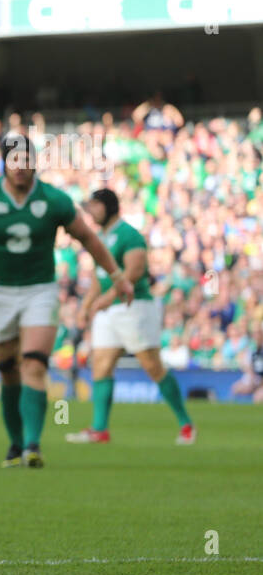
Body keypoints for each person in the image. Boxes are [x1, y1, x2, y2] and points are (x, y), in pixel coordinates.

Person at [0, 131, 133, 468]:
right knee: (7, 370)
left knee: (33, 363)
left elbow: (89, 239)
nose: (20, 167)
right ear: (4, 164)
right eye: (14, 160)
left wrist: (118, 277)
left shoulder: (55, 201)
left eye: (26, 160)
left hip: (40, 289)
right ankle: (15, 444)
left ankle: (33, 444)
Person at [66, 188, 195, 444]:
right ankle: (99, 429)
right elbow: (97, 279)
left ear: (108, 206)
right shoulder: (98, 237)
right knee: (101, 365)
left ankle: (186, 424)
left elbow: (135, 271)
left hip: (132, 307)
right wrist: (86, 305)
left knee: (152, 366)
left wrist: (108, 296)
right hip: (107, 310)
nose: (91, 211)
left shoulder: (128, 234)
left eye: (95, 205)